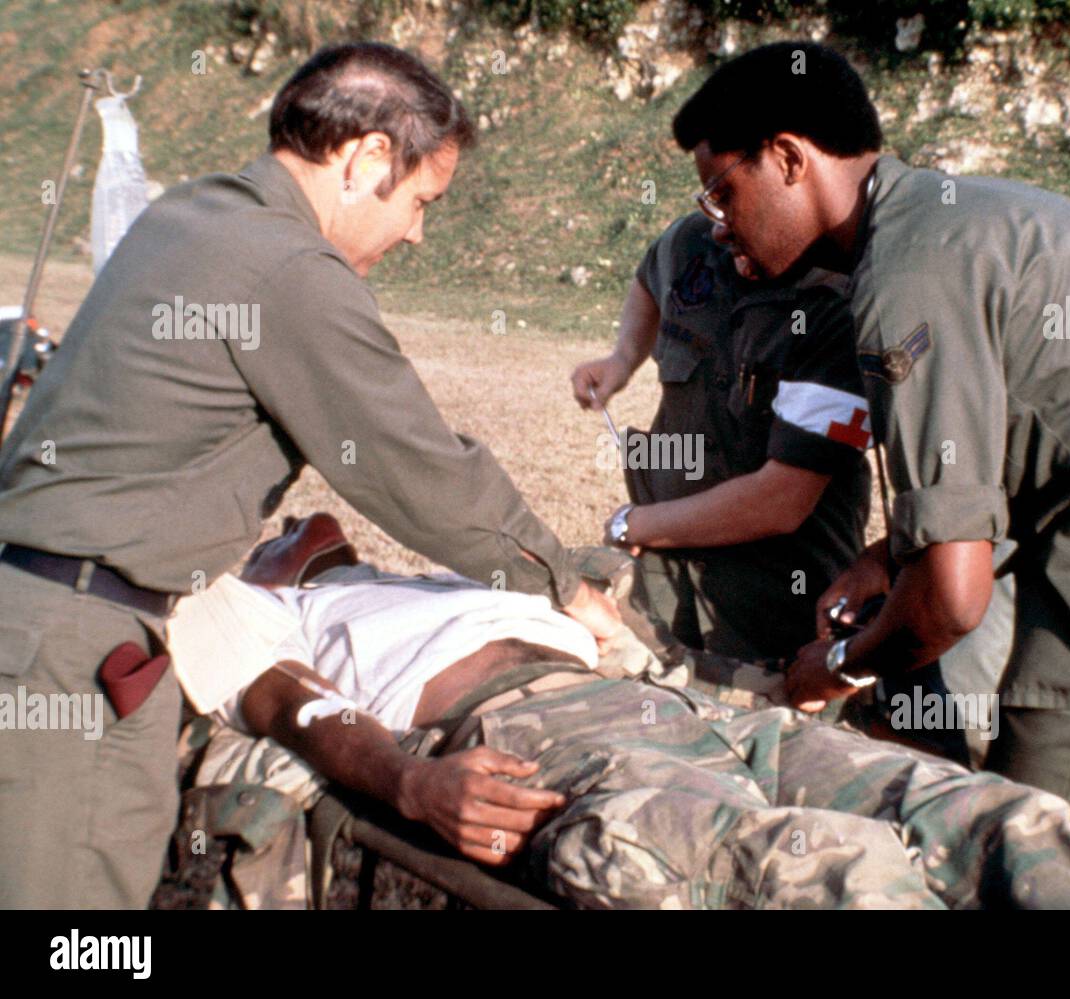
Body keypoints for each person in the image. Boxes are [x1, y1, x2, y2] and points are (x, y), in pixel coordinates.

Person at [0, 42, 618, 909]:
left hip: (38, 616)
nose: (415, 231)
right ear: (366, 159)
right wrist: (560, 582)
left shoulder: (191, 214)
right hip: (79, 651)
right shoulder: (288, 266)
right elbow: (418, 469)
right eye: (419, 200)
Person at [666, 41, 1070, 872]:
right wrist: (889, 556)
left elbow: (952, 601)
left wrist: (841, 664)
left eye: (724, 192)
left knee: (1041, 872)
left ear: (786, 158)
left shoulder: (908, 278)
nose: (721, 225)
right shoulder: (962, 216)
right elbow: (1025, 440)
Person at [165, 544, 1070, 910]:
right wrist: (404, 783)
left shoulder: (450, 564)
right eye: (300, 539)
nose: (318, 537)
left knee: (991, 819)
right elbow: (275, 700)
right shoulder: (262, 600)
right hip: (526, 729)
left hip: (681, 706)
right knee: (794, 869)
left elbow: (623, 627)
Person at [569, 212, 870, 662]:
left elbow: (781, 501)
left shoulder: (840, 300)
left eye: (735, 201)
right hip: (664, 570)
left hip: (776, 600)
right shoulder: (698, 239)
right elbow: (651, 277)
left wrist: (632, 524)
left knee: (780, 725)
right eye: (716, 203)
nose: (719, 230)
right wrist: (624, 357)